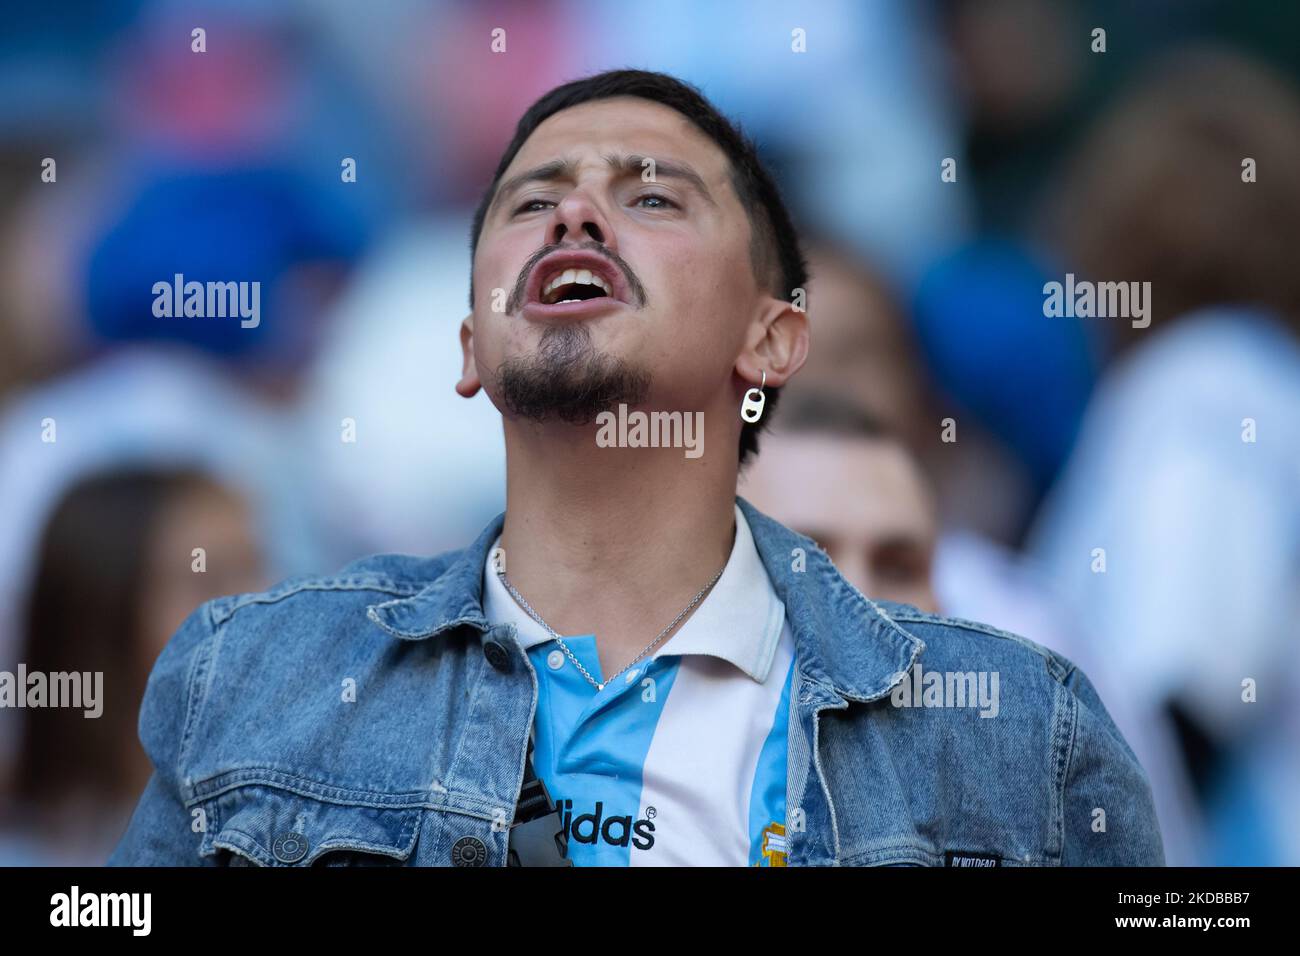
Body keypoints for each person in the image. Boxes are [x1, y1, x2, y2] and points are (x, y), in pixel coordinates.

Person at [109, 69, 1162, 867]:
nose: (575, 214)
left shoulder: (1015, 734)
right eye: (532, 203)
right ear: (471, 341)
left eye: (652, 198)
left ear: (773, 339)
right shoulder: (249, 677)